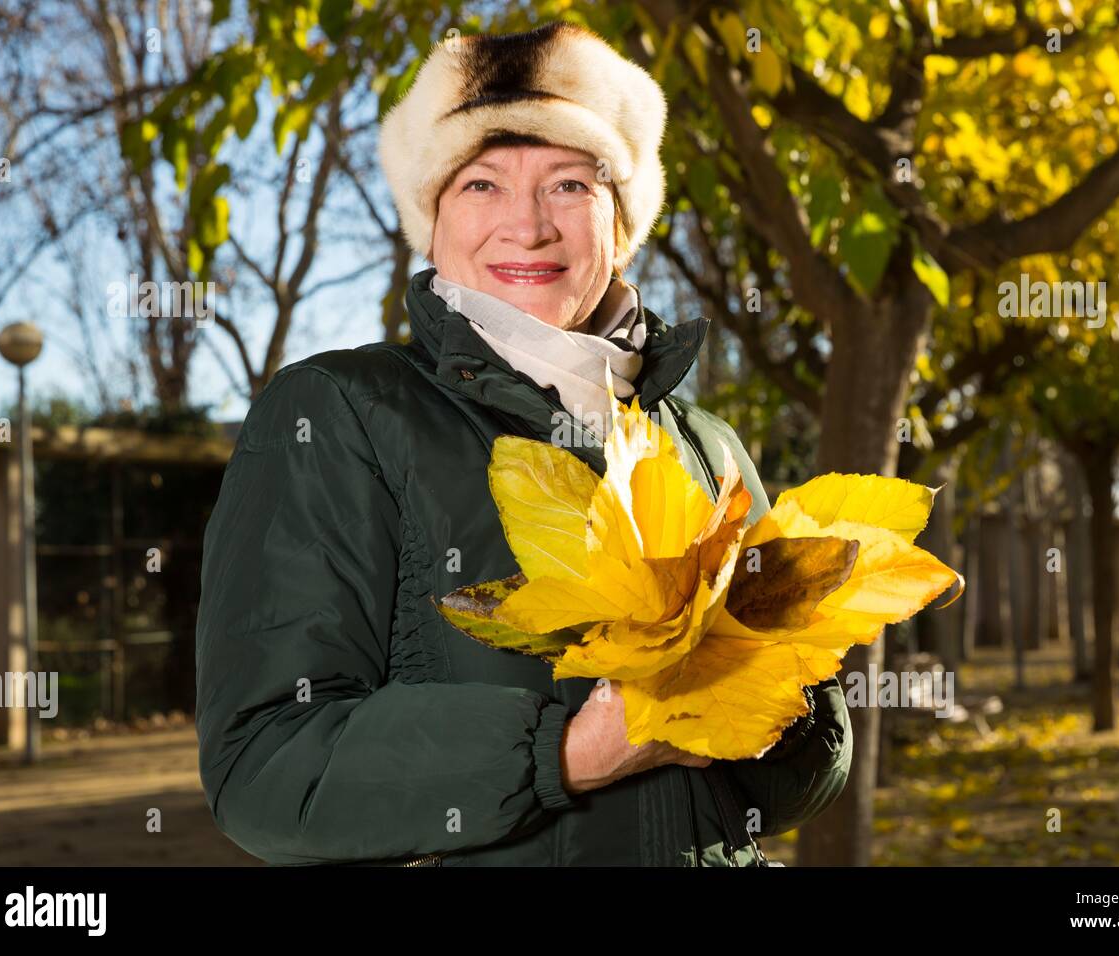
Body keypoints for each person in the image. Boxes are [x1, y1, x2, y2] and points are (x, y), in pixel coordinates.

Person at [195, 20, 851, 867]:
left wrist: (782, 720)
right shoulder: (340, 411)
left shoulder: (710, 446)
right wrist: (569, 755)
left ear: (622, 224)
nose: (528, 226)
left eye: (570, 184)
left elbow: (788, 790)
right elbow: (265, 769)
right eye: (480, 185)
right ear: (430, 224)